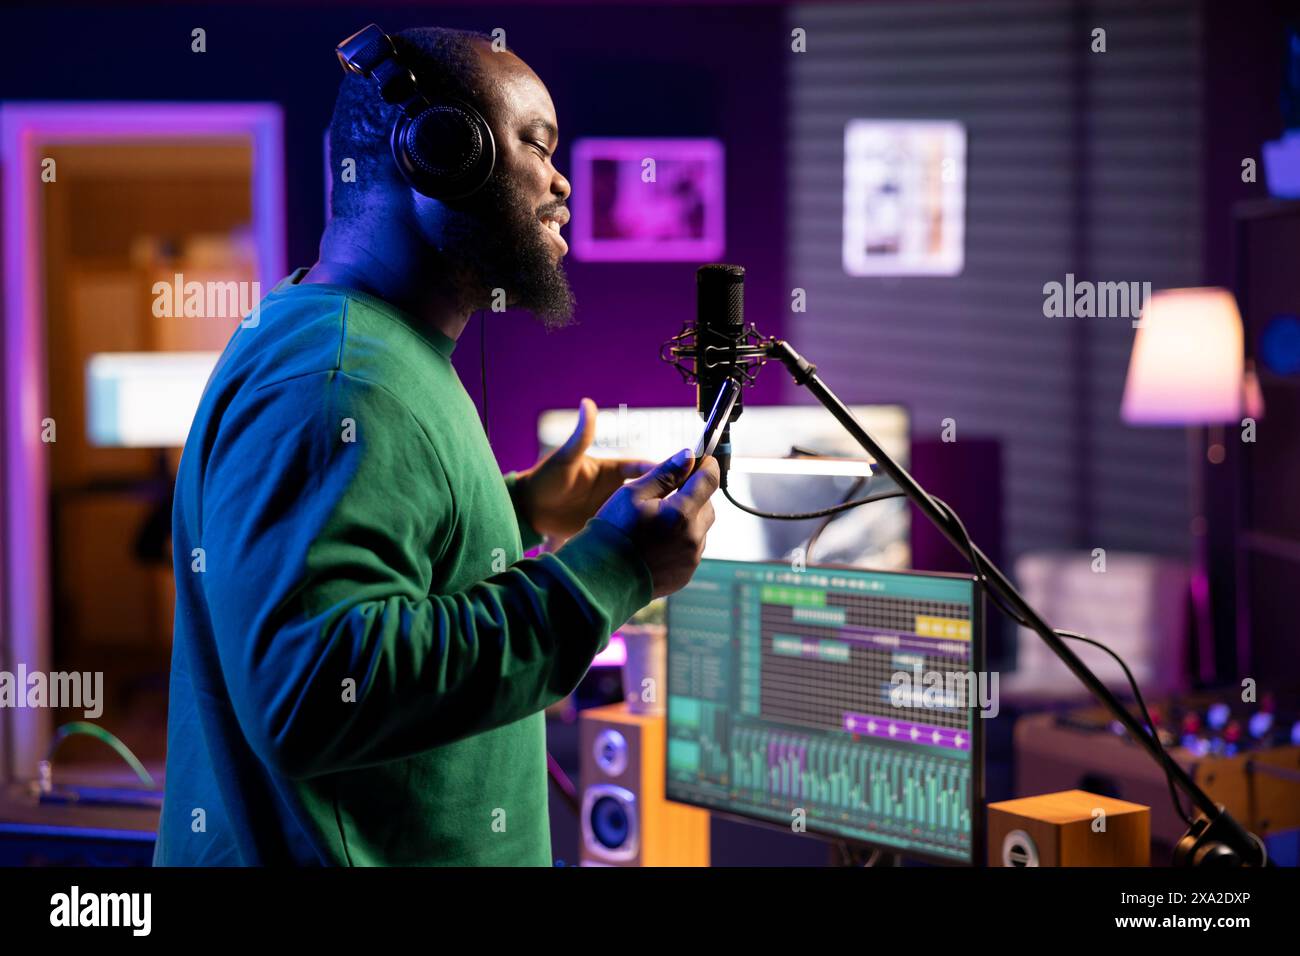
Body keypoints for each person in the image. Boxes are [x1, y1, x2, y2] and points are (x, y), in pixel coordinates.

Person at [154, 25, 719, 866]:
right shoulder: (342, 380)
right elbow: (312, 693)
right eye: (535, 145)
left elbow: (368, 564)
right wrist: (614, 569)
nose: (562, 182)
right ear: (438, 155)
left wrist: (519, 505)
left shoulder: (359, 344)